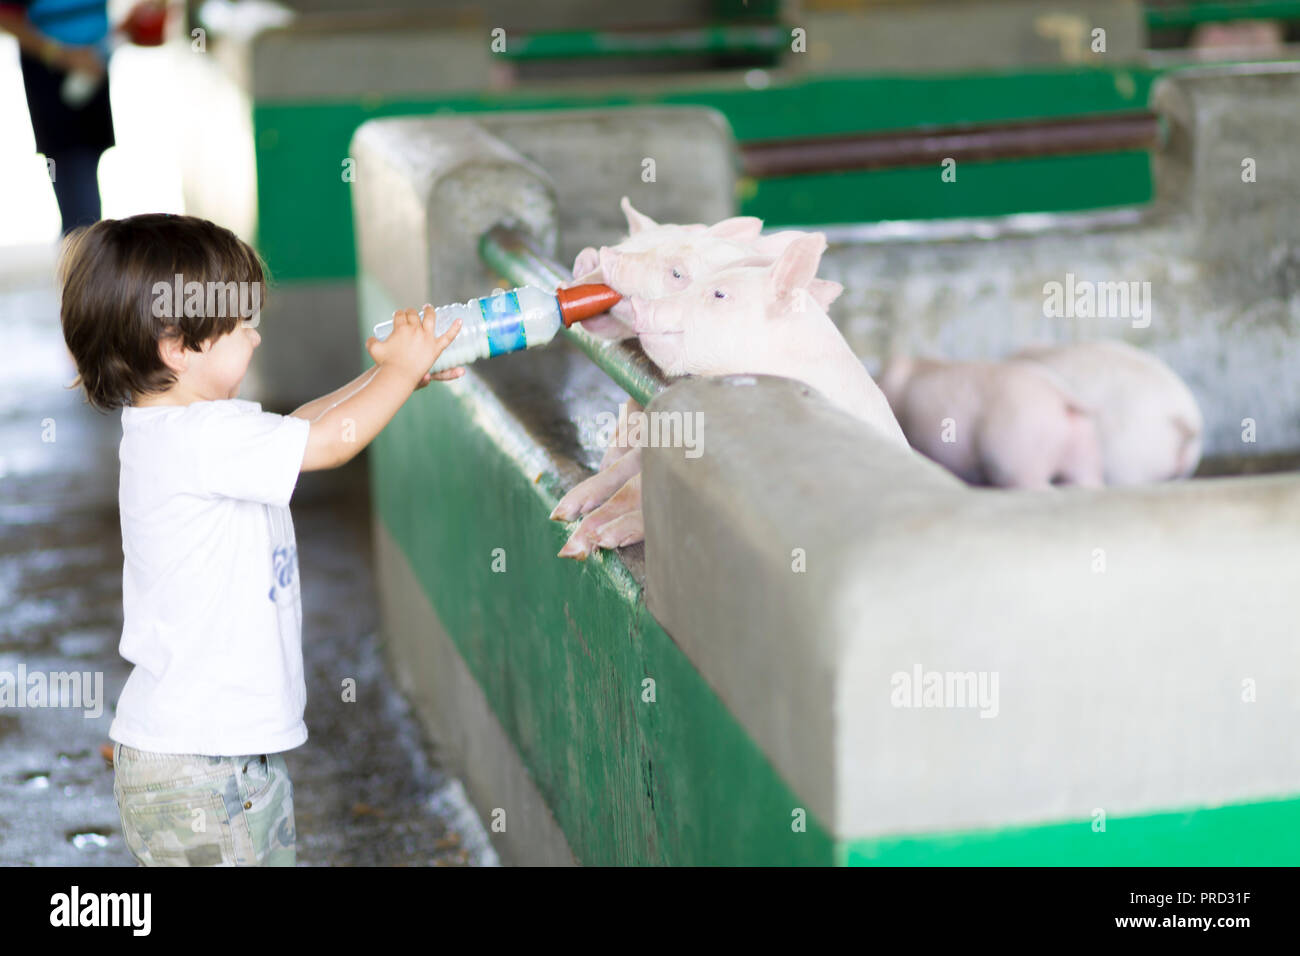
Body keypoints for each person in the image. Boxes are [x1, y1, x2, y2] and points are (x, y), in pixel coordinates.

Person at [57, 213, 465, 865]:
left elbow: (303, 427)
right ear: (177, 346)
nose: (255, 338)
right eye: (242, 325)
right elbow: (331, 444)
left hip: (209, 763)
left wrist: (390, 380)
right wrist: (397, 373)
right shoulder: (199, 440)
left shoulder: (186, 430)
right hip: (203, 773)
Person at [0, 0, 114, 234]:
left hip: (93, 72)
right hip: (51, 78)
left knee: (86, 201)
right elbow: (5, 16)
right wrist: (62, 55)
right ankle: (81, 265)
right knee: (81, 210)